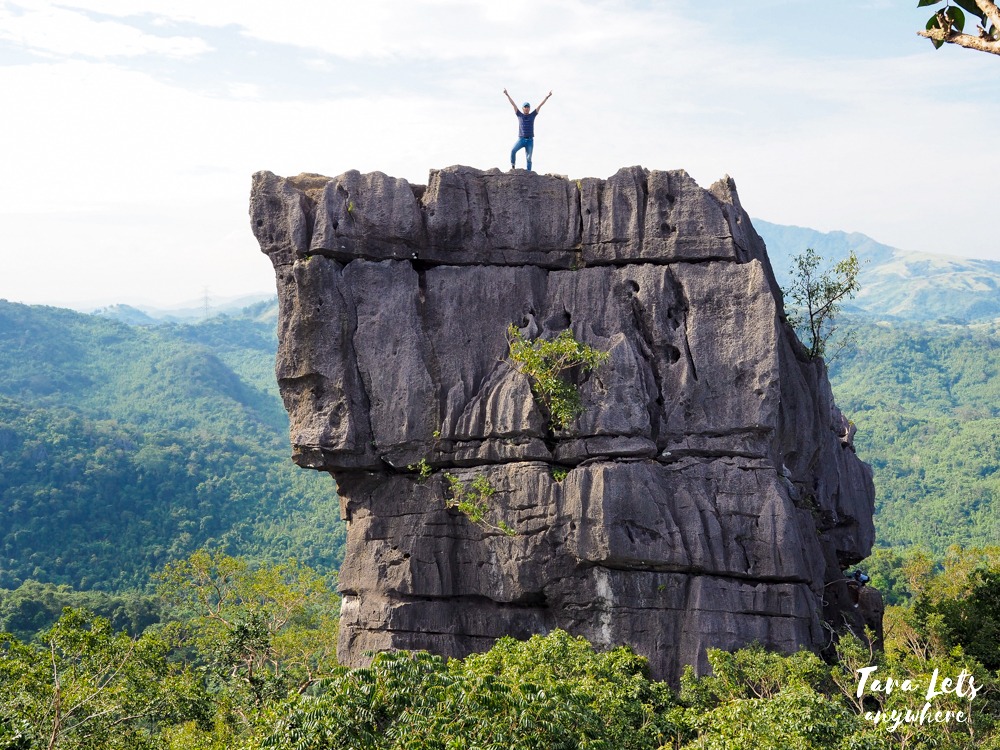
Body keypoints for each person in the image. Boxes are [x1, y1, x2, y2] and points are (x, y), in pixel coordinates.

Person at [504, 88, 552, 172]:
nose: (526, 108)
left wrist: (547, 97)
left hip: (530, 140)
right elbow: (513, 104)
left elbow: (540, 105)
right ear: (522, 108)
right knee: (513, 150)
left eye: (528, 107)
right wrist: (507, 95)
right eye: (525, 107)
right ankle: (513, 166)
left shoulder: (532, 115)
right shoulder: (519, 115)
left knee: (529, 158)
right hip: (521, 139)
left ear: (529, 108)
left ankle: (529, 173)